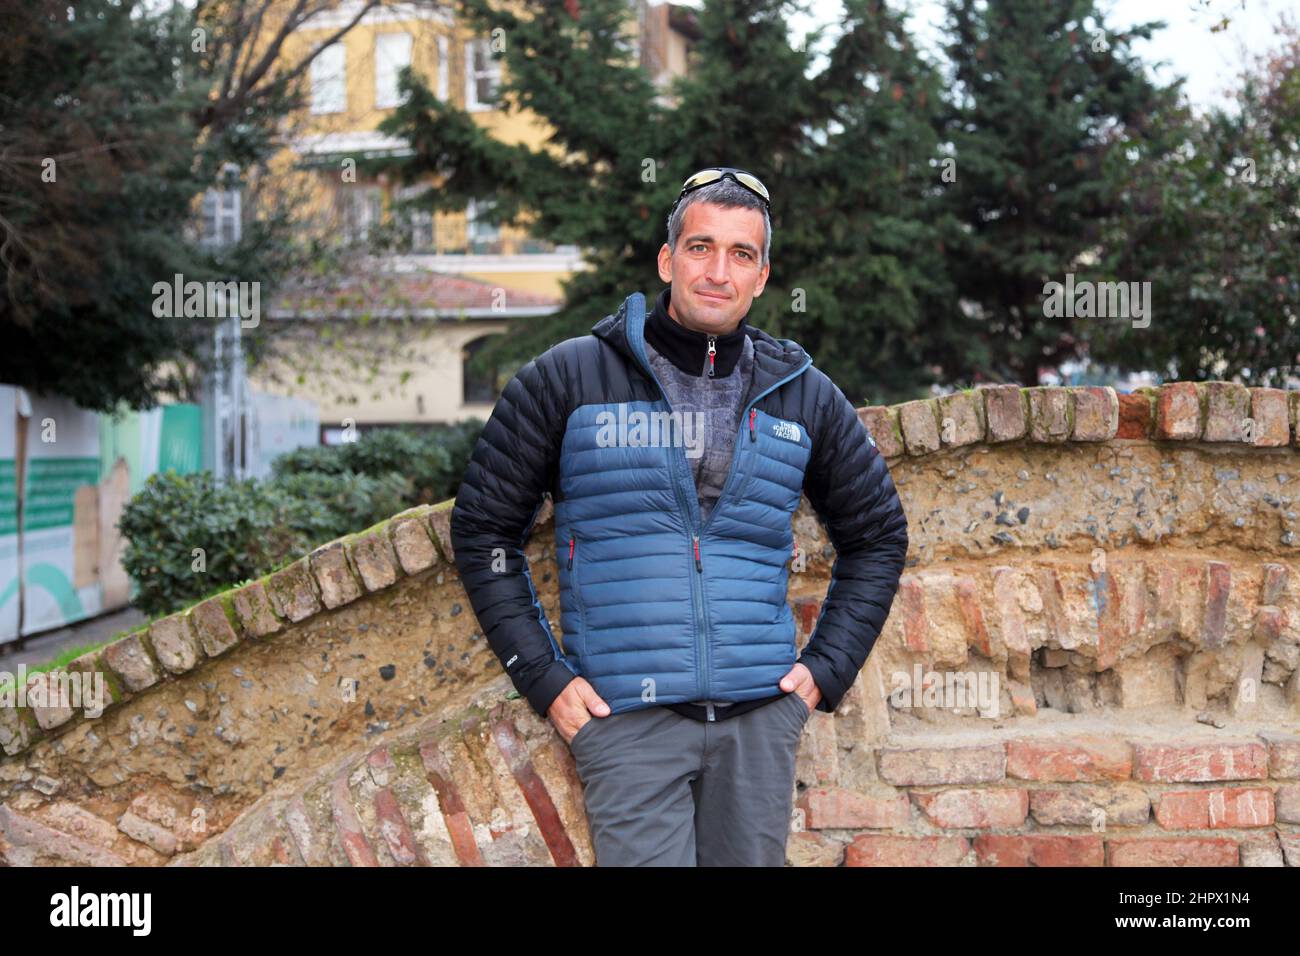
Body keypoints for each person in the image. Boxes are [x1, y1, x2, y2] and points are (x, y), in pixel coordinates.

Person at [450, 166, 909, 866]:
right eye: (700, 247)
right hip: (626, 722)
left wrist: (827, 668)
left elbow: (877, 536)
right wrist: (544, 677)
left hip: (758, 721)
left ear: (761, 277)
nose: (718, 271)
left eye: (741, 254)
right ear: (668, 260)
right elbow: (484, 529)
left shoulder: (803, 394)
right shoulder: (571, 376)